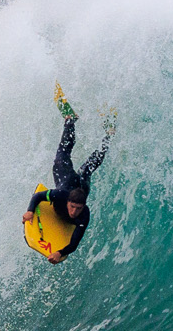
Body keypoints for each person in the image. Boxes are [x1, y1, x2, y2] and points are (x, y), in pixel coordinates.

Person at [22, 84, 113, 263]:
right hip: (67, 181)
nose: (73, 212)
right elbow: (39, 196)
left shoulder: (84, 215)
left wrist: (61, 252)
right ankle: (70, 119)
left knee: (88, 168)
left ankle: (109, 134)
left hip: (81, 185)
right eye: (72, 207)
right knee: (61, 156)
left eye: (77, 209)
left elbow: (74, 242)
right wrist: (30, 211)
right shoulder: (60, 195)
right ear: (68, 202)